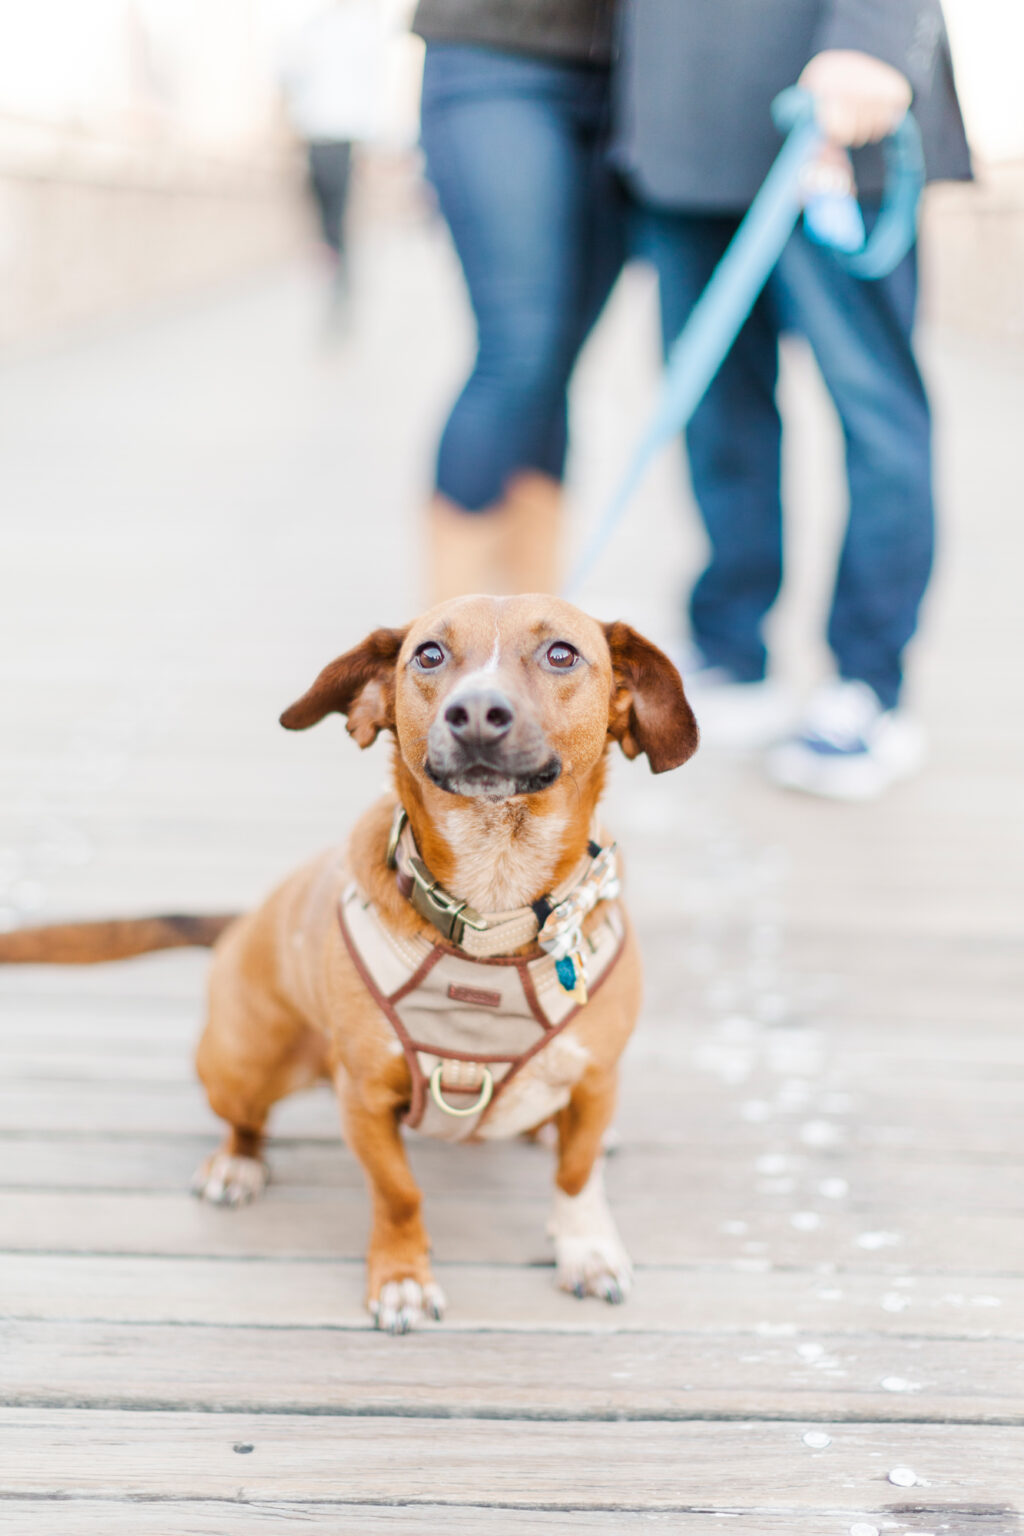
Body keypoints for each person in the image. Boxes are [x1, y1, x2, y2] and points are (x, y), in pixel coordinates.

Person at [613, 1, 971, 798]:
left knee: (876, 414)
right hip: (683, 121)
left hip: (842, 114)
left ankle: (870, 683)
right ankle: (731, 648)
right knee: (717, 412)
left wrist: (874, 39)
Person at [413, 0, 626, 600]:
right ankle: (442, 643)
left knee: (554, 364)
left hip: (630, 79)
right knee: (519, 351)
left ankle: (535, 634)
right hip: (496, 54)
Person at [279, 0, 393, 320]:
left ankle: (338, 278)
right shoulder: (315, 28)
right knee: (326, 213)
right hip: (318, 134)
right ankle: (335, 273)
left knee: (335, 214)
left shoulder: (352, 28)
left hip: (340, 135)